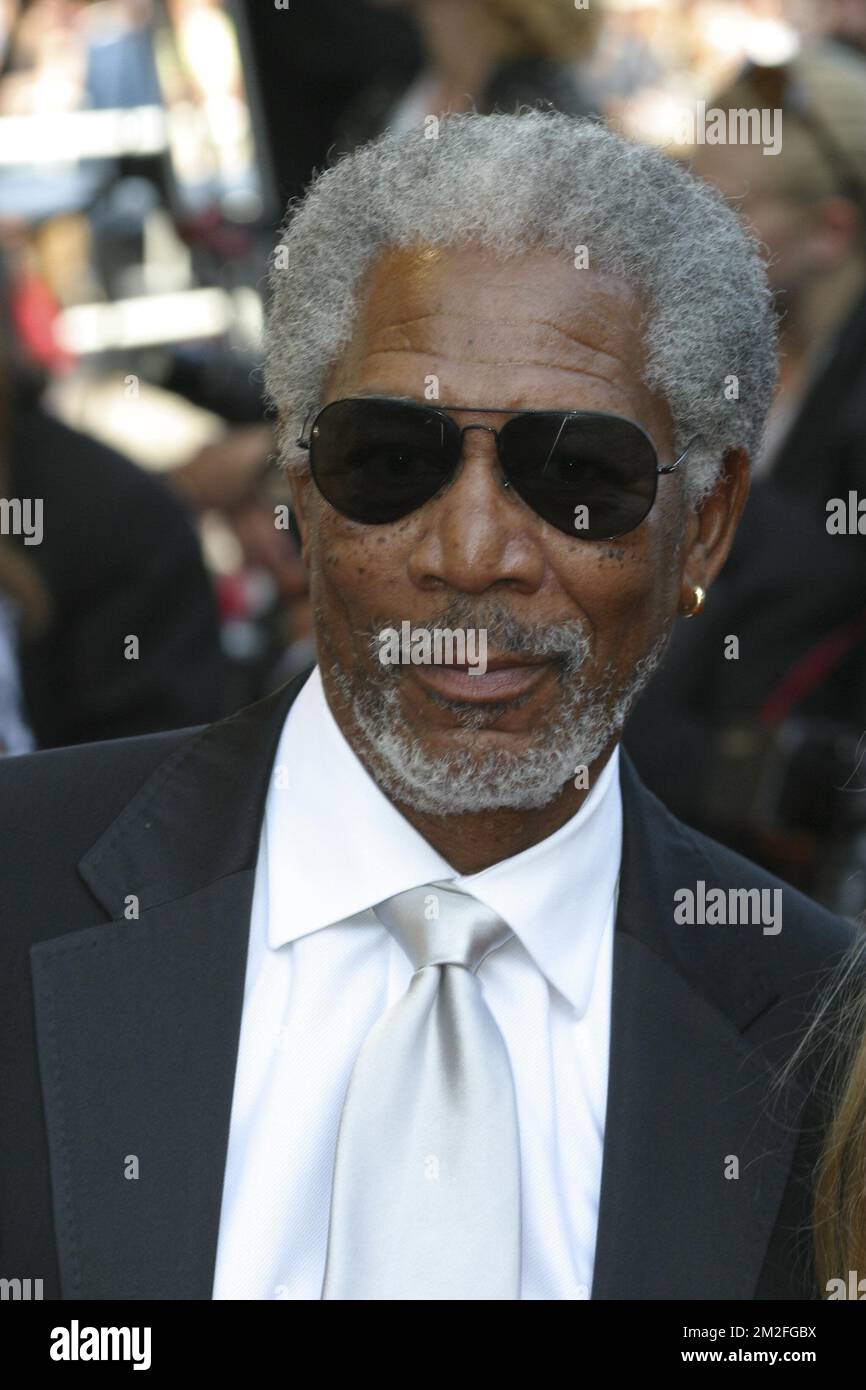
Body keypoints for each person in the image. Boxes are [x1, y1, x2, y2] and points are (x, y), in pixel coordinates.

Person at [0, 109, 863, 1300]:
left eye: (575, 474)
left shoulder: (821, 1040)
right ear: (300, 492)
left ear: (703, 523)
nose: (471, 552)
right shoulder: (18, 878)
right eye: (390, 458)